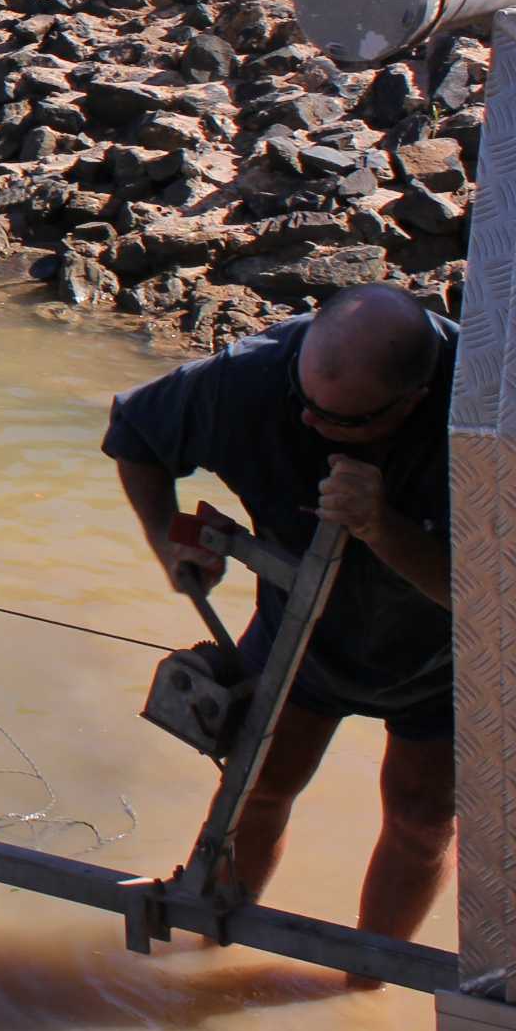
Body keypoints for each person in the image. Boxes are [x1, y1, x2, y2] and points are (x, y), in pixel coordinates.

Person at [102, 282, 458, 953]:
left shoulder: (480, 415)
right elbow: (136, 436)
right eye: (305, 406)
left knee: (420, 820)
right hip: (302, 639)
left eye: (344, 424)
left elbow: (502, 605)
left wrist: (383, 529)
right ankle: (208, 956)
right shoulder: (257, 375)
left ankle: (366, 982)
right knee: (256, 791)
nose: (314, 427)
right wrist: (168, 539)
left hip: (443, 663)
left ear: (413, 400)